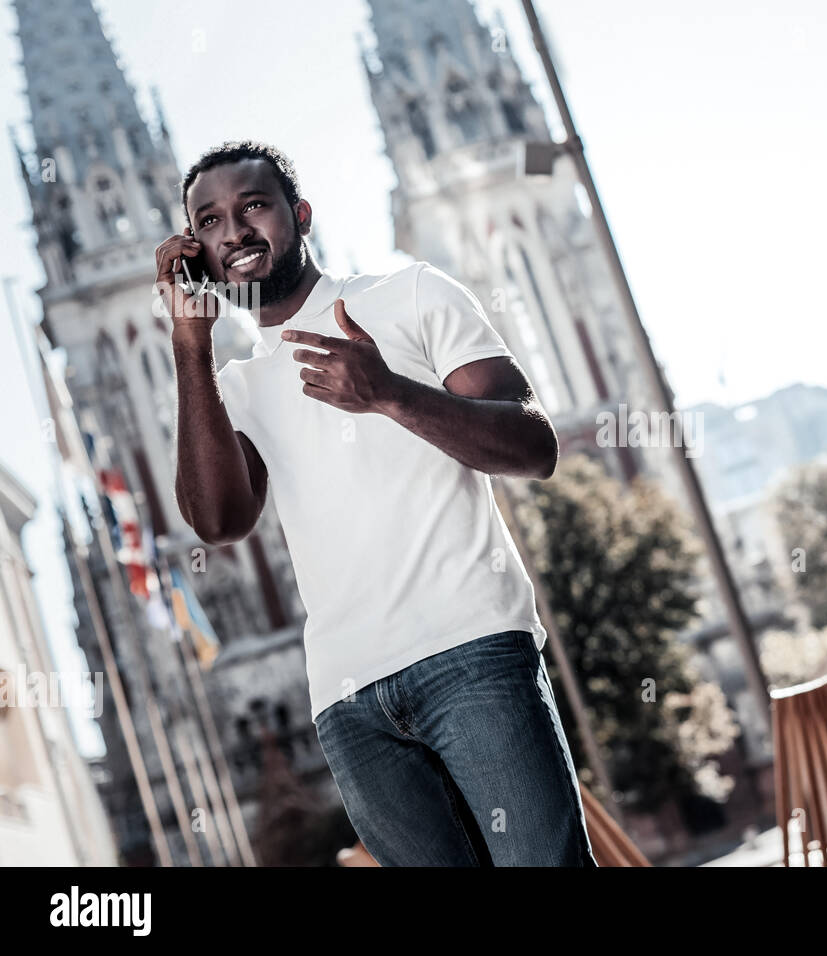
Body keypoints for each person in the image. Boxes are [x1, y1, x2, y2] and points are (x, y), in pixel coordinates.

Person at [157, 140, 596, 867]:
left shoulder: (412, 294)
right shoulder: (230, 386)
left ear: (299, 216)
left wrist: (391, 393)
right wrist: (190, 345)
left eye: (253, 206)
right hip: (348, 701)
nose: (232, 231)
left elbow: (533, 447)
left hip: (474, 655)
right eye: (208, 221)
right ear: (196, 251)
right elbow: (218, 522)